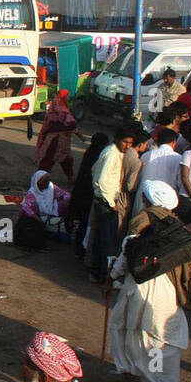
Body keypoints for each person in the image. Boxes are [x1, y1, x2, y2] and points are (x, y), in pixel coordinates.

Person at [106, 180, 191, 382]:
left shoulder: (140, 225)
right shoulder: (178, 230)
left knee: (122, 332)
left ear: (146, 201)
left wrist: (112, 275)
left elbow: (125, 257)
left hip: (139, 291)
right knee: (161, 343)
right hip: (168, 295)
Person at [88, 126, 135, 283]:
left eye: (130, 143)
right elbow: (101, 180)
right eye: (125, 142)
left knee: (101, 239)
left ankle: (97, 272)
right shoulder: (112, 155)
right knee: (108, 242)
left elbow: (94, 169)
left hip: (103, 201)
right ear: (117, 139)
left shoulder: (112, 152)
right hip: (106, 203)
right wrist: (111, 202)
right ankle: (104, 276)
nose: (127, 146)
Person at [70, 132, 110, 259]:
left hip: (81, 192)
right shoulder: (99, 156)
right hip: (89, 194)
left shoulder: (90, 153)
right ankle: (82, 249)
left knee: (81, 221)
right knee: (86, 222)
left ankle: (78, 247)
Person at [34, 89, 80, 183]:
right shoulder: (62, 109)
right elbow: (70, 124)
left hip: (54, 138)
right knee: (51, 159)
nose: (68, 98)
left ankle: (69, 177)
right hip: (58, 140)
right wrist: (79, 135)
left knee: (62, 159)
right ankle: (40, 179)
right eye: (67, 96)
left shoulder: (54, 107)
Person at [15, 170, 71, 247]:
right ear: (38, 182)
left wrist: (66, 200)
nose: (47, 182)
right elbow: (27, 209)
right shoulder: (32, 193)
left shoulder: (52, 188)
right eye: (44, 181)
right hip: (39, 216)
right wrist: (39, 220)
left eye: (48, 180)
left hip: (52, 215)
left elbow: (65, 194)